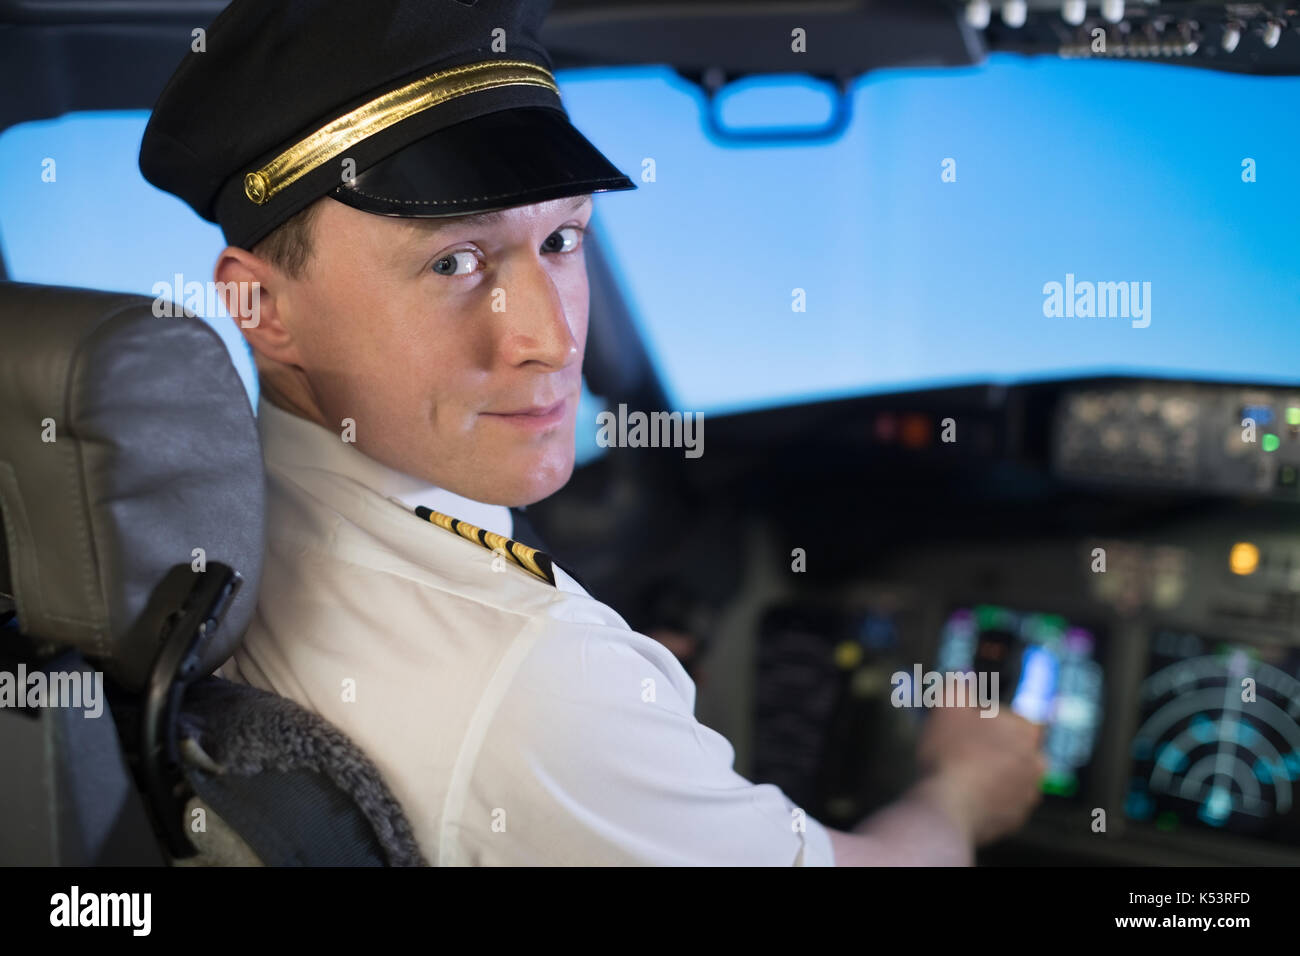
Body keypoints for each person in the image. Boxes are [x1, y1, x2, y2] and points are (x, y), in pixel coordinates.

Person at [139, 0, 1045, 865]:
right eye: (455, 260)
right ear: (260, 305)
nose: (552, 338)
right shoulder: (534, 681)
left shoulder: (201, 527)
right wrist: (960, 791)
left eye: (563, 242)